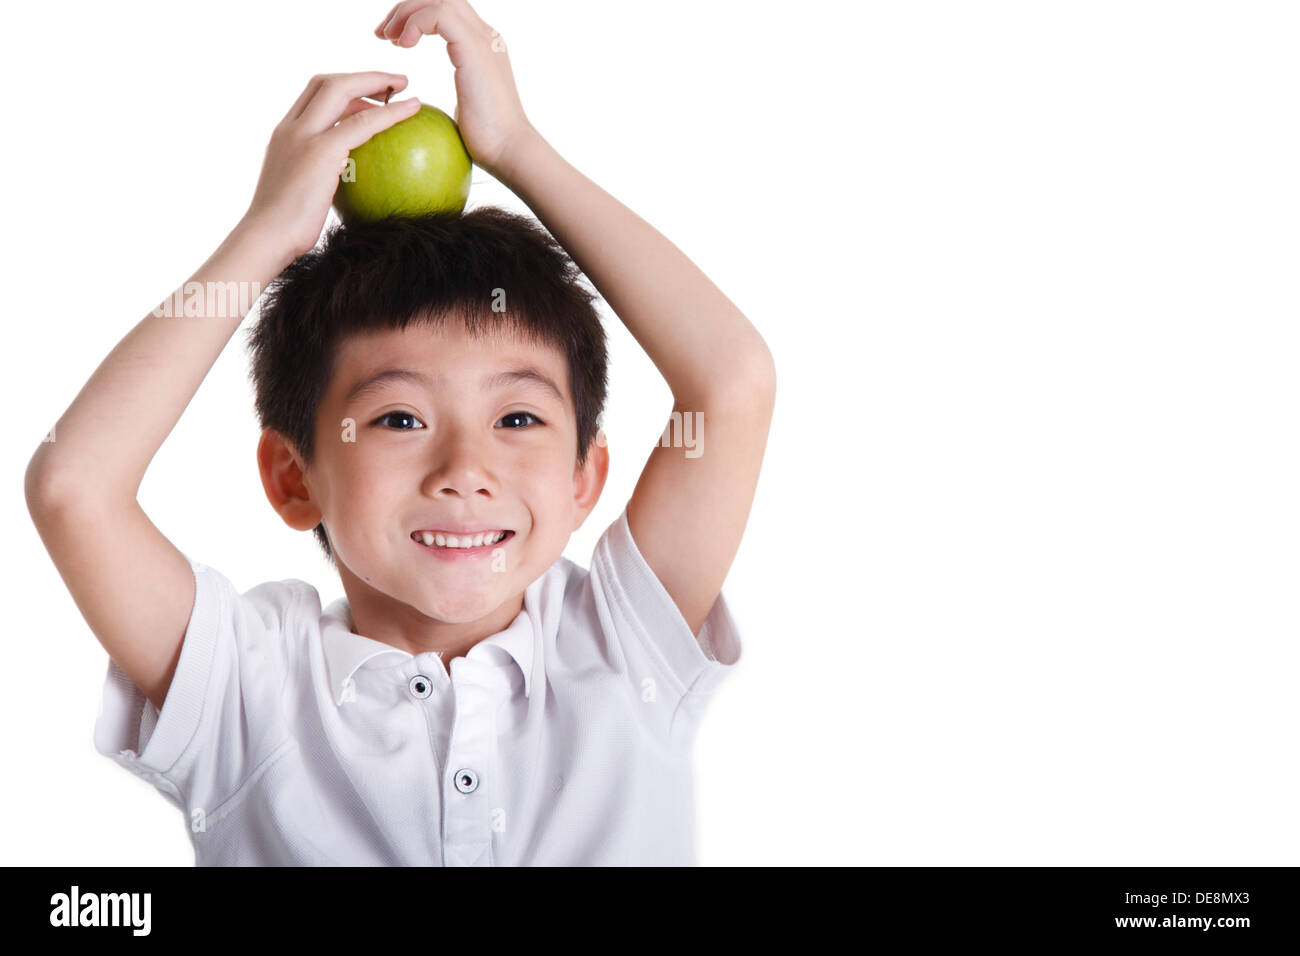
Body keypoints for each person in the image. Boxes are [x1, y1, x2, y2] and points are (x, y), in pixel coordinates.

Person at [24, 0, 776, 865]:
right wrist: (268, 233)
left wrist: (520, 148)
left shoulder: (620, 641)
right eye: (400, 418)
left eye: (519, 417)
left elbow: (732, 382)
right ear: (293, 478)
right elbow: (72, 487)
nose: (466, 470)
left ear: (583, 478)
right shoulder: (247, 687)